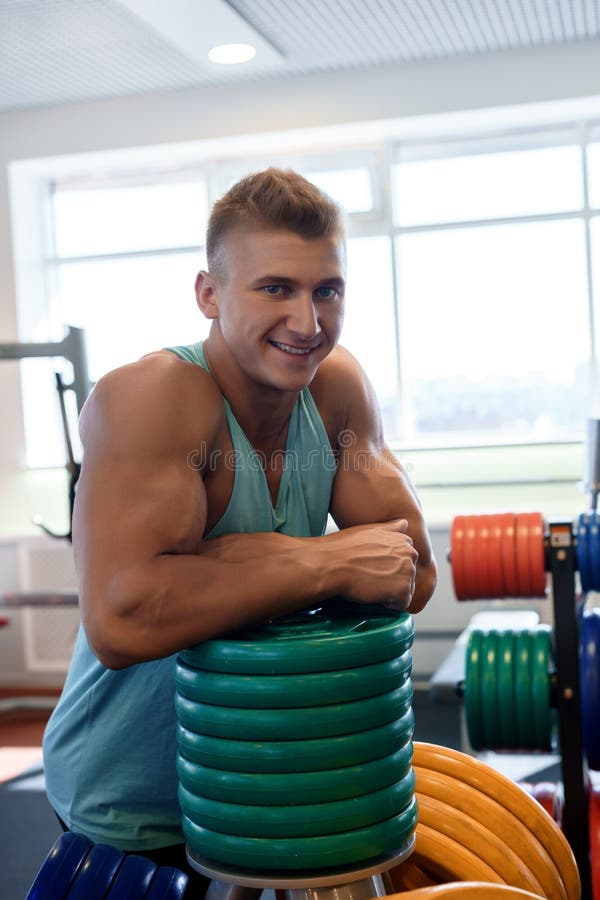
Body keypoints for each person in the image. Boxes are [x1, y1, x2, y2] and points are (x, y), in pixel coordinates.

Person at [42, 167, 437, 892]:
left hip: (279, 780)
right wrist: (321, 563)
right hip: (136, 795)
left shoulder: (336, 387)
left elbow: (408, 570)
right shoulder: (154, 397)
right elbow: (124, 619)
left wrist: (231, 562)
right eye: (275, 288)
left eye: (327, 290)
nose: (308, 323)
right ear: (209, 293)